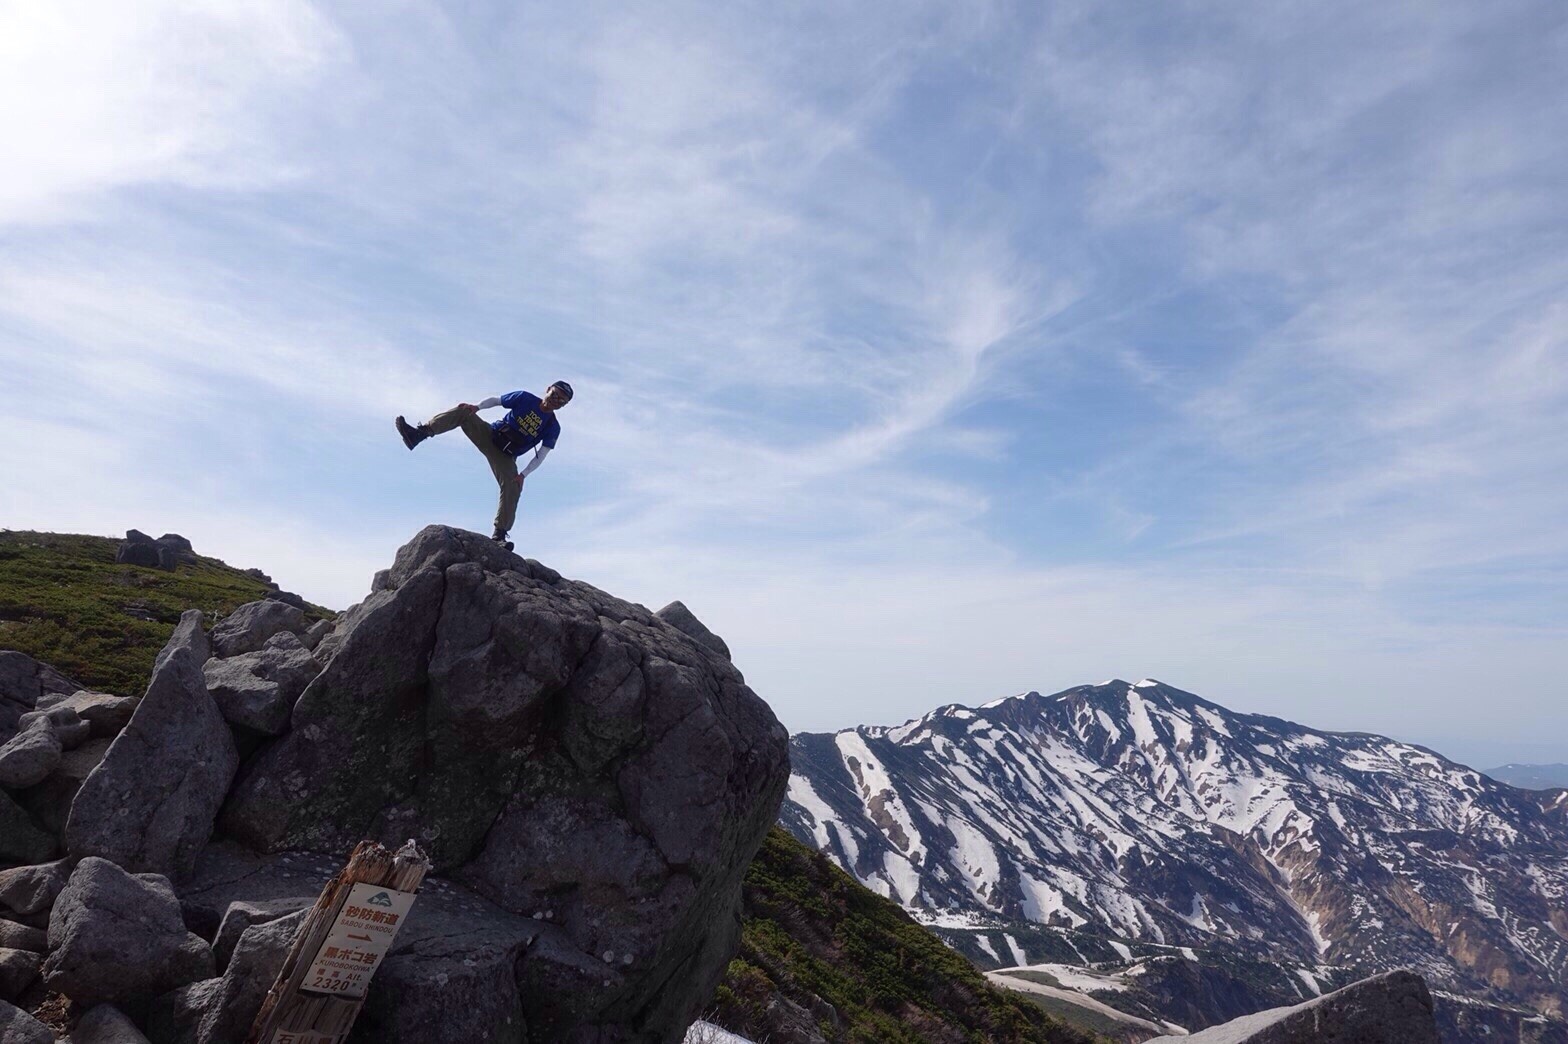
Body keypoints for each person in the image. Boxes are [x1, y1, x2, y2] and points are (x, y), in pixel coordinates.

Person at [395, 382, 572, 550]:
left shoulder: (552, 426)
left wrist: (523, 475)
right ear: (548, 389)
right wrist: (476, 407)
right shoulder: (525, 398)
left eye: (561, 400)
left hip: (506, 456)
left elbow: (542, 454)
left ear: (563, 406)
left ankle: (499, 536)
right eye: (555, 394)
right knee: (464, 412)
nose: (555, 400)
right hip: (489, 435)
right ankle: (419, 434)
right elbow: (496, 401)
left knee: (513, 486)